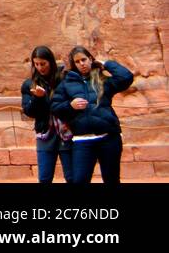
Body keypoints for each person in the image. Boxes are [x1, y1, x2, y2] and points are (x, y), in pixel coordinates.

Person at [51, 46, 134, 183]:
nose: (81, 64)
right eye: (77, 62)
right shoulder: (67, 83)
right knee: (79, 180)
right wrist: (70, 106)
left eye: (84, 59)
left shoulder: (102, 80)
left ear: (90, 59)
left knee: (112, 179)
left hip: (109, 138)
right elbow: (55, 107)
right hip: (82, 140)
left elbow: (126, 77)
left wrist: (106, 64)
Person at [20, 46, 70, 183]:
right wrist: (38, 98)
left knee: (71, 177)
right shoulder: (29, 84)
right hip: (45, 133)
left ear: (50, 62)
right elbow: (29, 111)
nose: (40, 67)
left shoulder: (63, 78)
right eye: (36, 64)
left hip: (66, 132)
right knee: (45, 177)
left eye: (43, 63)